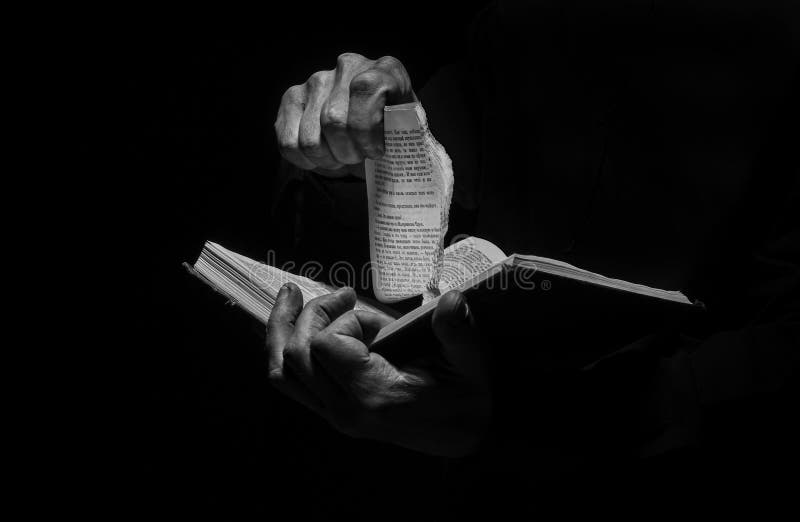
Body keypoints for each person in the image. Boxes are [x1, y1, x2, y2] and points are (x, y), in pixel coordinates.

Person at [267, 0, 798, 510]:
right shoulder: (520, 21)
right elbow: (438, 164)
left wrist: (508, 426)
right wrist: (346, 153)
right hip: (435, 474)